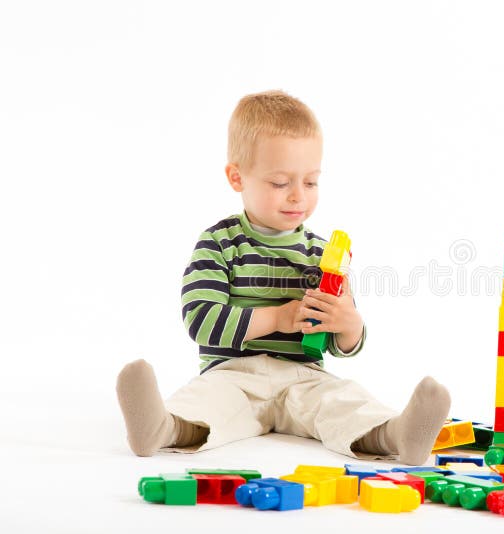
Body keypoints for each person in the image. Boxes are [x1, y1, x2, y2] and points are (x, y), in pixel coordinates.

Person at [115, 90, 451, 465]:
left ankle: (396, 434)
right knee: (208, 402)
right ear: (237, 177)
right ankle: (161, 428)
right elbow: (201, 321)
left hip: (303, 376)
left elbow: (344, 345)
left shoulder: (324, 255)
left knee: (342, 401)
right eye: (280, 183)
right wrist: (276, 318)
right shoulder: (219, 243)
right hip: (233, 374)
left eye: (310, 182)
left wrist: (349, 324)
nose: (298, 197)